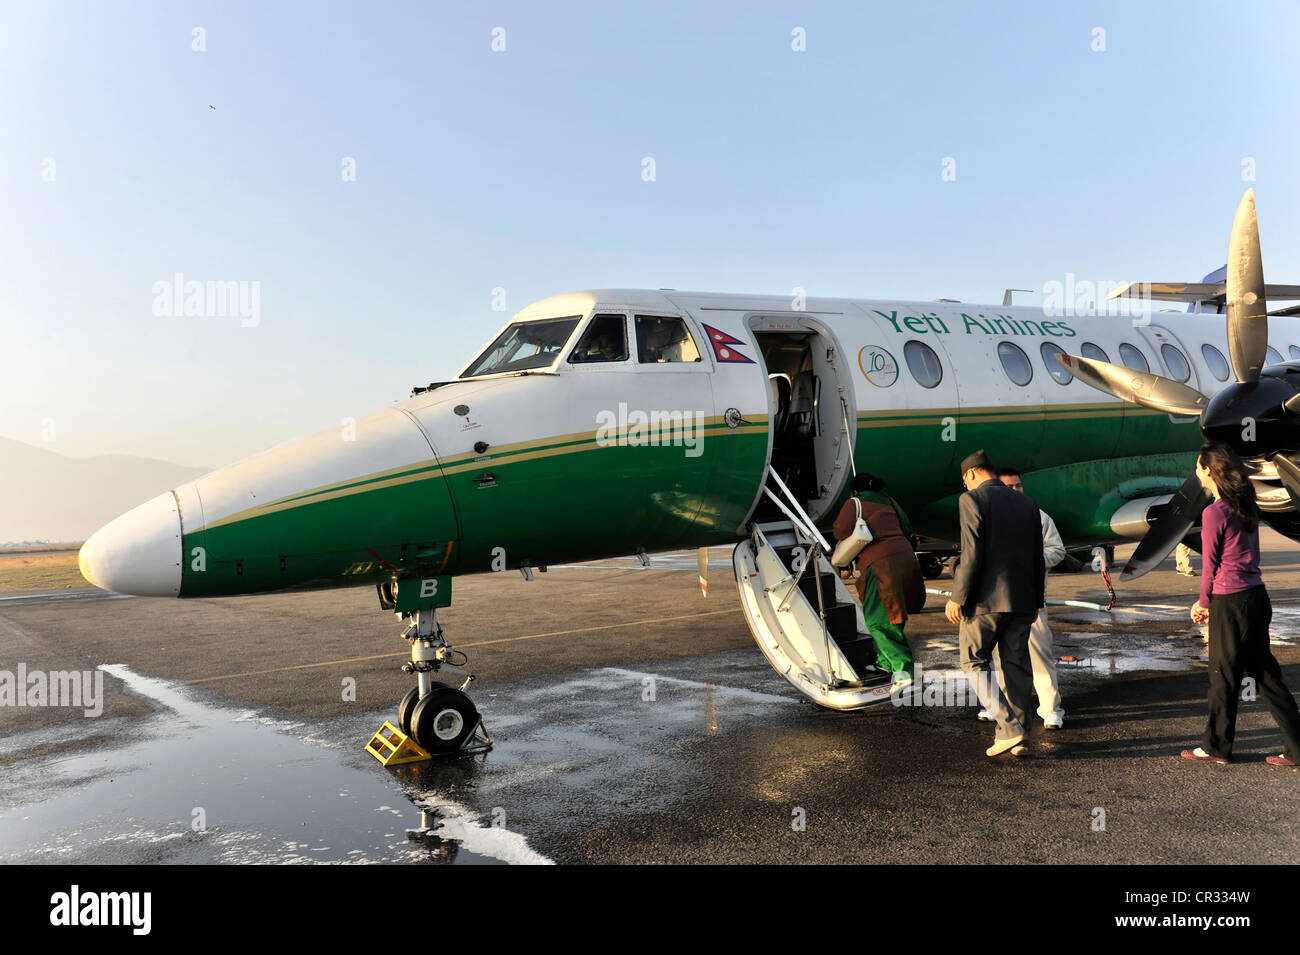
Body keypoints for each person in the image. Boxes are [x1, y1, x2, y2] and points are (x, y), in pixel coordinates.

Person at [1182, 442, 1300, 767]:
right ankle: (1297, 748)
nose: (1195, 473)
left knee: (1223, 676)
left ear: (1209, 470)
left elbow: (1210, 564)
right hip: (1257, 596)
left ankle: (1217, 747)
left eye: (1197, 467)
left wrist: (1203, 602)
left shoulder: (1213, 513)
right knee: (1266, 676)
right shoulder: (1246, 503)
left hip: (1230, 600)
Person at [946, 449, 1046, 757]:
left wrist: (957, 598)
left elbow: (971, 553)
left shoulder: (972, 500)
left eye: (965, 481)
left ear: (972, 474)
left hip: (985, 602)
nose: (966, 487)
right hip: (1022, 599)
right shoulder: (1027, 502)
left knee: (973, 661)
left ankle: (1009, 728)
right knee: (1016, 665)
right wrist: (1036, 600)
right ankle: (1020, 735)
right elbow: (1037, 556)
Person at [976, 467, 1066, 729]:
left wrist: (1031, 561)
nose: (1016, 490)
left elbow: (1057, 551)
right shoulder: (986, 516)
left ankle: (1051, 710)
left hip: (1030, 598)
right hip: (997, 601)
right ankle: (1001, 708)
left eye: (1019, 486)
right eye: (1010, 486)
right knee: (1001, 656)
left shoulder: (1037, 515)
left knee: (1039, 654)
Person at [832, 471, 920, 693]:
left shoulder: (855, 503)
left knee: (878, 620)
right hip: (907, 558)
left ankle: (904, 671)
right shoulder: (890, 501)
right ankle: (885, 662)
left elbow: (840, 530)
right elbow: (907, 528)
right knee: (894, 613)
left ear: (855, 490)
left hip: (881, 563)